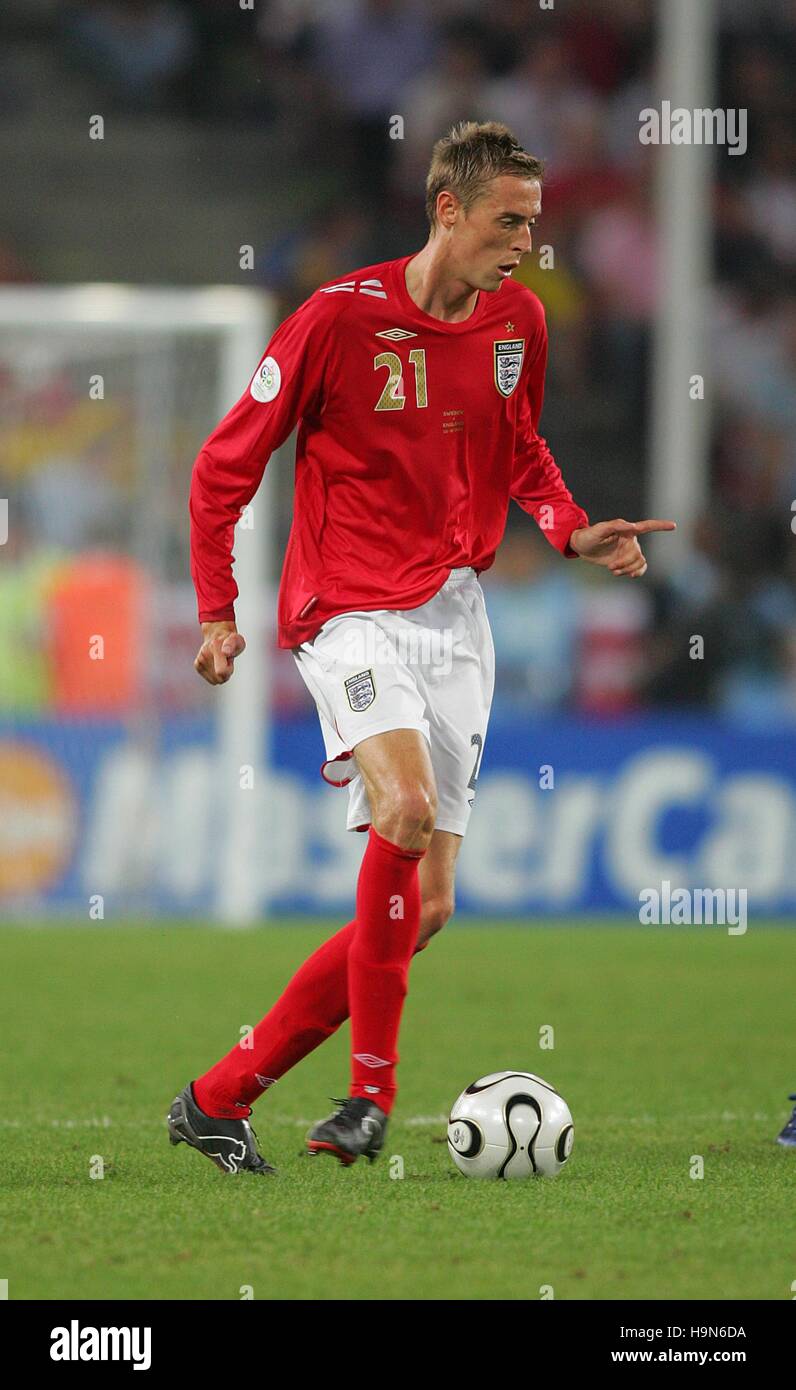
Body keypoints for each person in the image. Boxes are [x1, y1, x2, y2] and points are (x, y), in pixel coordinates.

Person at [168, 120, 675, 1175]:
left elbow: (522, 443)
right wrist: (219, 607)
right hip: (345, 605)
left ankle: (217, 1097)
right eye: (507, 222)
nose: (525, 245)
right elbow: (225, 466)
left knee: (427, 905)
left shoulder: (517, 323)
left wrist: (570, 526)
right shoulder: (336, 320)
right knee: (400, 807)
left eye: (534, 226)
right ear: (447, 210)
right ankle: (369, 1094)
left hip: (454, 615)